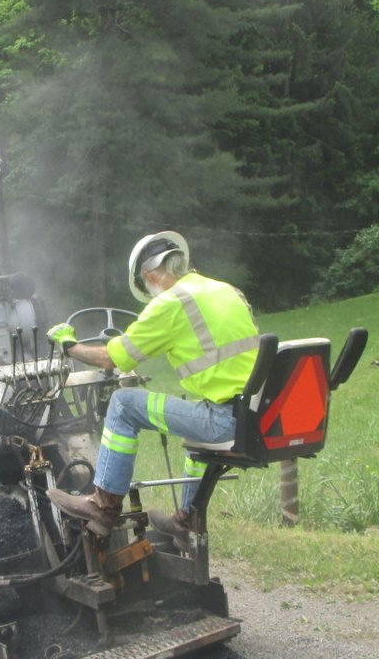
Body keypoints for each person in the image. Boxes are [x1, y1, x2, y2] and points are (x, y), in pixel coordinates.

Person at [45, 231, 259, 548]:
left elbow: (111, 358)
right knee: (195, 443)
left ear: (149, 276)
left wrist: (68, 345)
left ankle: (103, 507)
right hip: (257, 413)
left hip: (225, 420)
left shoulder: (171, 303)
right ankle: (185, 522)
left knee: (122, 404)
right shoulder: (224, 290)